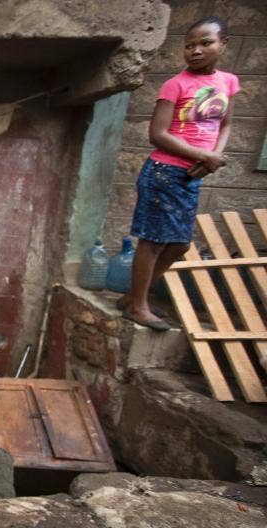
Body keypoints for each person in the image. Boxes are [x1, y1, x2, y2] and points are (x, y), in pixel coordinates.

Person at [118, 16, 239, 331]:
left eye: (205, 43)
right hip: (164, 171)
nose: (195, 51)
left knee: (180, 244)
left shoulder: (227, 82)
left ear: (223, 44)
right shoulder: (176, 85)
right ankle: (138, 305)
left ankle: (133, 297)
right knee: (153, 240)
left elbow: (224, 124)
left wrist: (215, 157)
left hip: (192, 174)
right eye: (189, 45)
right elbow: (158, 135)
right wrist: (203, 155)